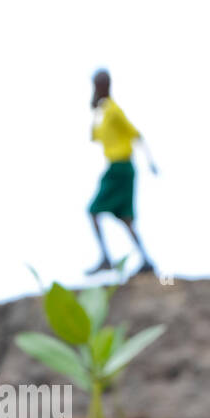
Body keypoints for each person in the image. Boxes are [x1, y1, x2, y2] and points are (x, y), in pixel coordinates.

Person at [86, 70, 157, 275]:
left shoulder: (114, 111)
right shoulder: (104, 112)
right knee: (125, 219)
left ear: (103, 86)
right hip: (118, 167)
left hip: (120, 168)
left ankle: (106, 259)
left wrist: (151, 163)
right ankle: (146, 260)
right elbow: (94, 137)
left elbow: (136, 134)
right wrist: (94, 110)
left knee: (93, 211)